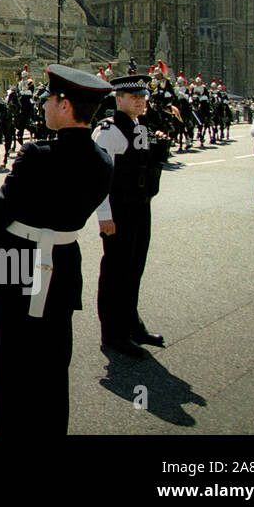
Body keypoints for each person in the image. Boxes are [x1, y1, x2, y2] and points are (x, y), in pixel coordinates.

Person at [0, 64, 114, 435]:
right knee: (53, 368)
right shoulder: (103, 161)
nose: (43, 105)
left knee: (11, 372)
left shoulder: (37, 156)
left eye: (49, 99)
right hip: (61, 269)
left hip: (19, 271)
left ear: (64, 105)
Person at [93, 74, 167, 358]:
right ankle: (113, 333)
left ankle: (131, 324)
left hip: (140, 206)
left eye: (142, 97)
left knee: (134, 267)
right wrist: (104, 217)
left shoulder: (141, 126)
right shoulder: (109, 131)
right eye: (133, 97)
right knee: (116, 272)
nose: (139, 101)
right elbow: (100, 179)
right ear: (118, 99)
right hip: (119, 210)